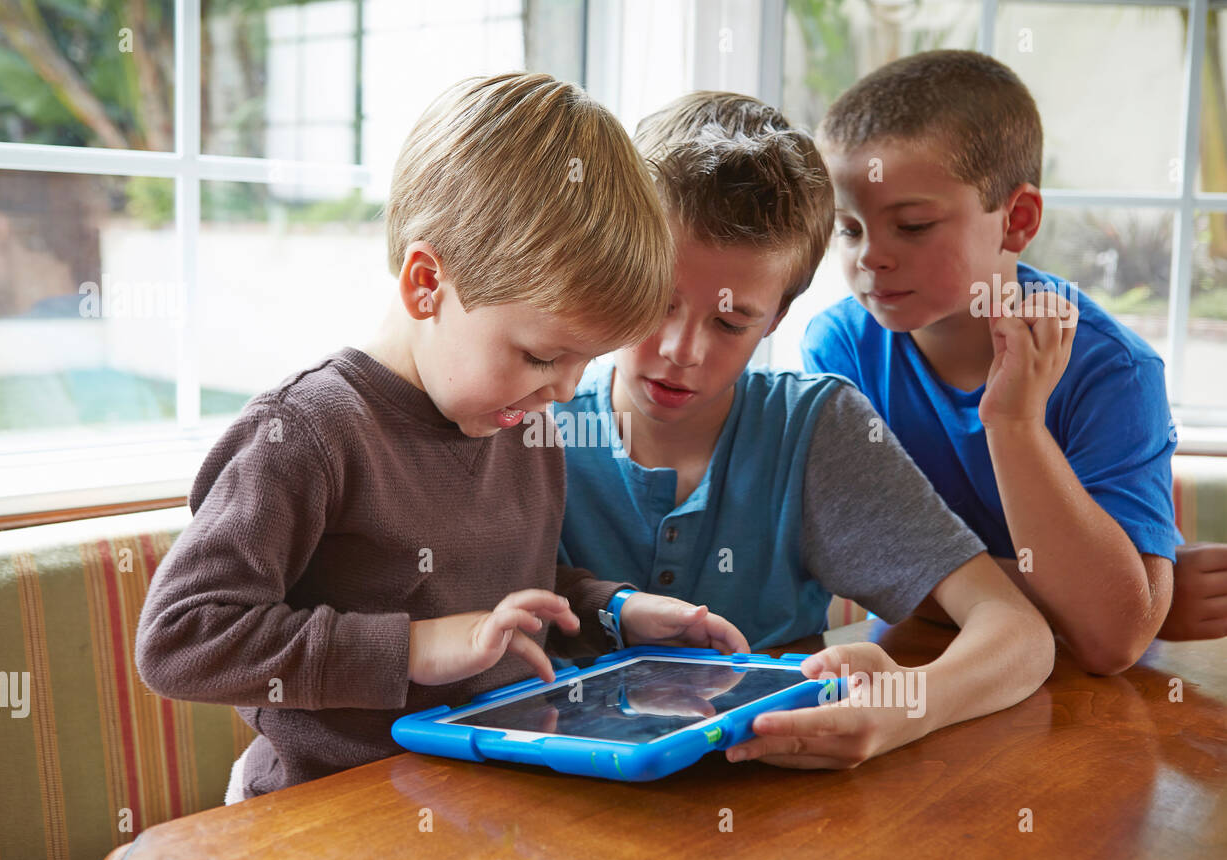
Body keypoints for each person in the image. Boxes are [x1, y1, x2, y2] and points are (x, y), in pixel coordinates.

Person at [135, 73, 748, 802]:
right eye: (544, 356)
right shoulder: (303, 435)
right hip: (326, 808)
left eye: (588, 361)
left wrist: (614, 613)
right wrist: (413, 650)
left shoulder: (522, 421)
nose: (563, 388)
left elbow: (511, 599)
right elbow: (181, 638)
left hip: (493, 795)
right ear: (426, 283)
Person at [555, 91, 1054, 770]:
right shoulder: (530, 421)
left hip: (780, 807)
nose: (682, 350)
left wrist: (906, 708)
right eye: (655, 299)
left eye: (731, 323)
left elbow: (1019, 633)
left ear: (776, 321)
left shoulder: (814, 431)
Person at [802, 49, 1224, 673]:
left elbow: (1108, 644)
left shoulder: (1114, 373)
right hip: (919, 674)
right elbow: (863, 569)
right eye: (849, 228)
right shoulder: (839, 349)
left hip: (1085, 712)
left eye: (913, 225)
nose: (872, 257)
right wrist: (1110, 598)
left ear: (1017, 220)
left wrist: (1016, 423)